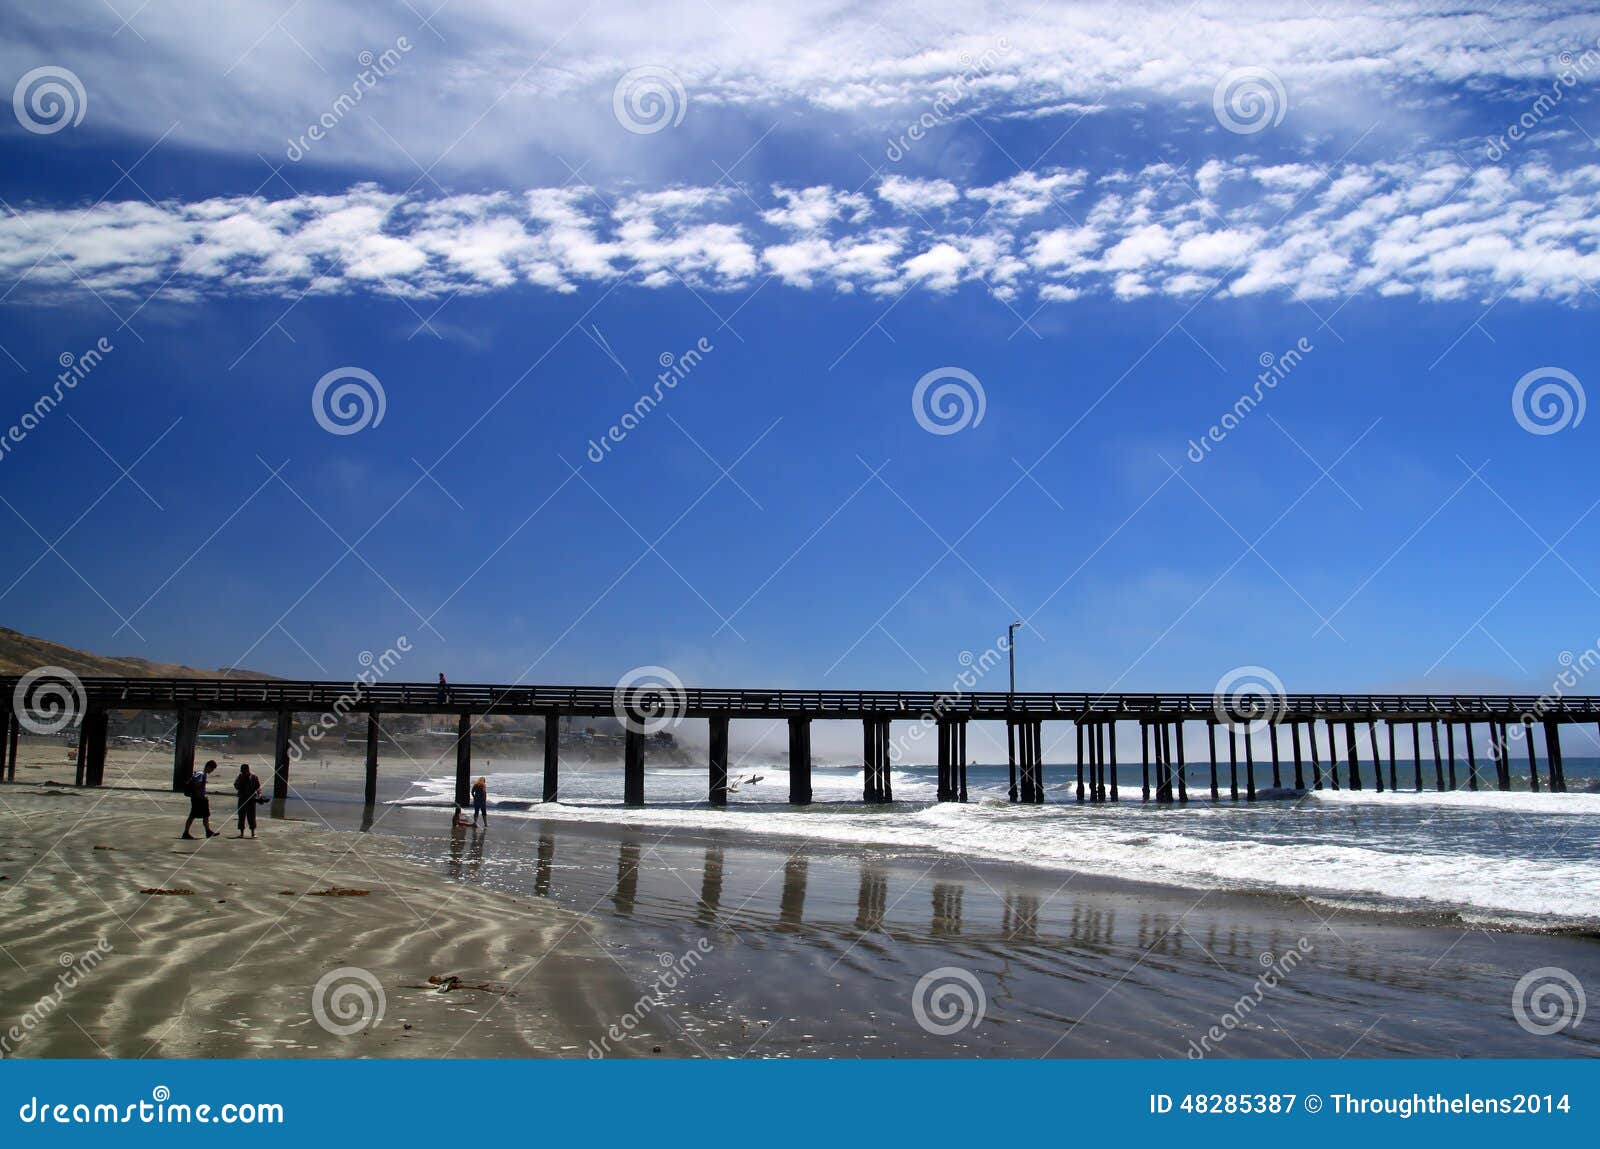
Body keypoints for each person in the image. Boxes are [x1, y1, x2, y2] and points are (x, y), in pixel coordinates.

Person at [181, 760, 220, 840]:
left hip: (199, 798)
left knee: (205, 815)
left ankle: (208, 831)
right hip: (198, 799)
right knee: (192, 815)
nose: (212, 771)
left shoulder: (202, 774)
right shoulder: (201, 774)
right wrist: (200, 796)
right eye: (212, 769)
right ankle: (186, 833)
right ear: (208, 767)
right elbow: (197, 785)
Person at [233, 764, 262, 839]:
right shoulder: (240, 776)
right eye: (242, 771)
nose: (243, 773)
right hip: (242, 798)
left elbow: (258, 787)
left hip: (251, 800)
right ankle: (241, 833)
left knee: (251, 816)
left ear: (248, 769)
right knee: (241, 816)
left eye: (244, 771)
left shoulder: (254, 777)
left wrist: (259, 795)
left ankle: (253, 833)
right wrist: (240, 783)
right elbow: (235, 785)